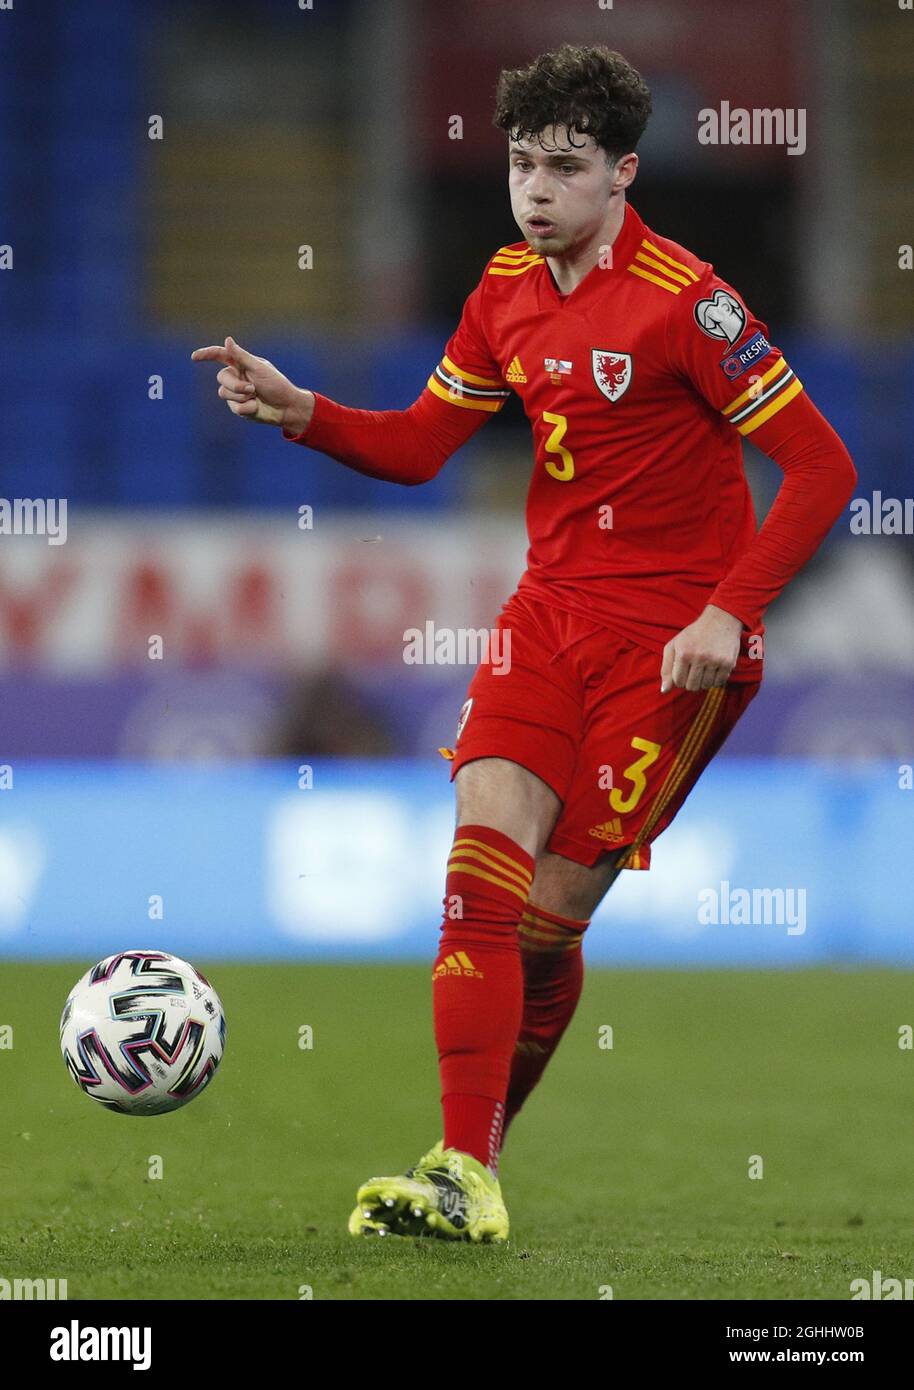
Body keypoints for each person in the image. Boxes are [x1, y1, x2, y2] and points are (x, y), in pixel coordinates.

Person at [192, 43, 856, 1244]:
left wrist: (729, 607)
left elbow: (821, 467)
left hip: (673, 647)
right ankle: (459, 1168)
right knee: (477, 871)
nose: (534, 189)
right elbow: (415, 446)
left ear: (620, 176)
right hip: (545, 615)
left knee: (549, 923)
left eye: (562, 167)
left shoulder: (688, 301)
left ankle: (476, 1152)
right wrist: (303, 413)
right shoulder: (502, 285)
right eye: (517, 164)